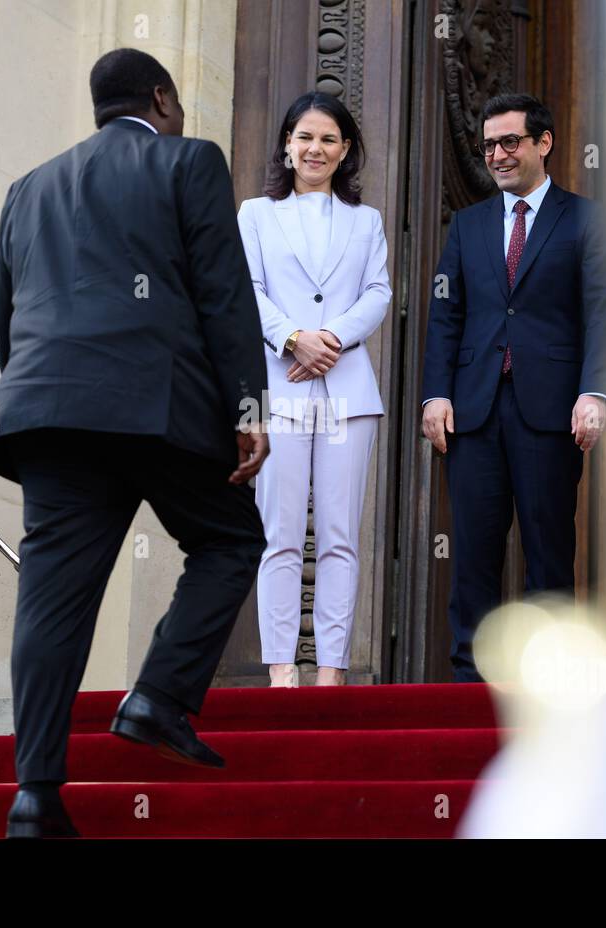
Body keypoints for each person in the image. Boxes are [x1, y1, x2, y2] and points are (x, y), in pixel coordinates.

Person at [0, 49, 270, 838]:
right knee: (231, 538)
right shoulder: (188, 160)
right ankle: (160, 698)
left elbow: (7, 314)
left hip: (46, 412)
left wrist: (41, 396)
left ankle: (35, 797)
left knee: (50, 601)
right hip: (155, 406)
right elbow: (223, 294)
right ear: (163, 99)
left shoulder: (27, 188)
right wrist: (247, 406)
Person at [420, 93, 606, 683]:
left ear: (543, 143)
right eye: (488, 147)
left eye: (510, 142)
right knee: (474, 552)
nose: (498, 156)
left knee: (548, 549)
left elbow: (603, 311)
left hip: (551, 410)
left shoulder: (585, 219)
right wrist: (436, 394)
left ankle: (552, 679)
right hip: (473, 411)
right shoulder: (470, 223)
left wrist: (595, 393)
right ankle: (468, 677)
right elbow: (445, 314)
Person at [237, 92, 390, 688]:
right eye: (305, 137)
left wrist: (330, 339)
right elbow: (244, 288)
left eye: (329, 139)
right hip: (281, 389)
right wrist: (293, 337)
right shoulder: (255, 214)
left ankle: (329, 670)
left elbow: (377, 293)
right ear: (286, 144)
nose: (315, 148)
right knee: (278, 534)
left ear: (345, 149)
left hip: (348, 392)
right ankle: (281, 668)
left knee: (338, 535)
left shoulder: (365, 220)